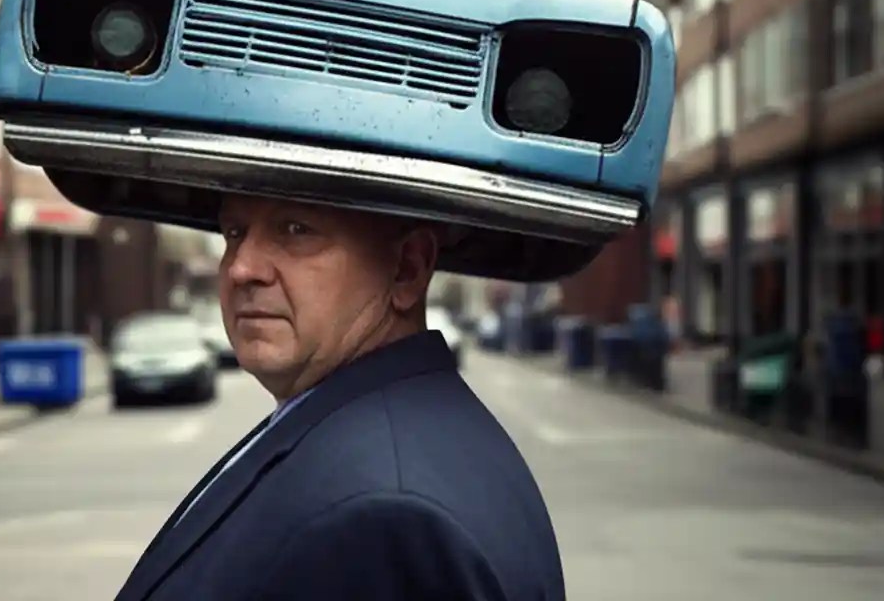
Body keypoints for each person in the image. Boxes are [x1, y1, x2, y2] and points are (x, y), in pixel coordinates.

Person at [114, 194, 565, 601]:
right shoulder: (399, 427)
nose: (241, 268)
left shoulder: (387, 515)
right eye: (235, 232)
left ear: (407, 268)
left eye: (295, 229)